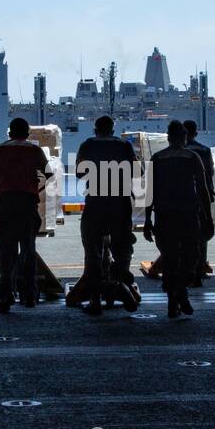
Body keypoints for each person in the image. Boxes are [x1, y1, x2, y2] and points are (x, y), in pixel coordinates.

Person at [144, 120, 212, 318]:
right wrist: (207, 218)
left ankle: (173, 300)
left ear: (167, 137)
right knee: (192, 258)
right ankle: (181, 291)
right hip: (188, 214)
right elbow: (203, 190)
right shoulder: (193, 157)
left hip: (164, 216)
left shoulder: (157, 158)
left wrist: (148, 220)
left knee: (170, 259)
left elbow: (149, 192)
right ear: (184, 137)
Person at [74, 116, 139, 314]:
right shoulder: (124, 146)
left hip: (96, 202)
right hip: (120, 203)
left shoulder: (87, 145)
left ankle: (95, 301)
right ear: (112, 130)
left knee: (92, 250)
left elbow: (79, 173)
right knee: (122, 249)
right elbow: (138, 172)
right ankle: (121, 287)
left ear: (95, 130)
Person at [0, 117, 51, 313]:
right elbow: (48, 173)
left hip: (4, 205)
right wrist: (35, 187)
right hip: (26, 204)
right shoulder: (35, 150)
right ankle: (30, 295)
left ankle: (6, 295)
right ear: (27, 134)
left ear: (9, 133)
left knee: (6, 253)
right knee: (28, 250)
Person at [183, 119, 215, 286]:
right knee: (201, 237)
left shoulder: (179, 152)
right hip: (202, 198)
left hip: (183, 199)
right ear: (195, 133)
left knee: (183, 236)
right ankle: (200, 268)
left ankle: (186, 269)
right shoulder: (205, 150)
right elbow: (210, 173)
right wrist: (209, 192)